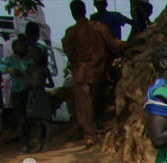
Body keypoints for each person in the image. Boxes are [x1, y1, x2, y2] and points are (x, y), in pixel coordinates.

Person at [62, 0, 123, 143]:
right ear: (85, 10)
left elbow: (68, 51)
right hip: (98, 70)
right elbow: (113, 43)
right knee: (96, 100)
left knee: (84, 105)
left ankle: (89, 134)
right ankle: (97, 126)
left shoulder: (71, 32)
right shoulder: (98, 27)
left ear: (73, 13)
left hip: (81, 72)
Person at [19, 23, 53, 152]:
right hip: (33, 92)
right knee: (36, 121)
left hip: (39, 92)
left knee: (44, 120)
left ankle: (46, 143)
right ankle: (39, 143)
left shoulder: (40, 62)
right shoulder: (31, 65)